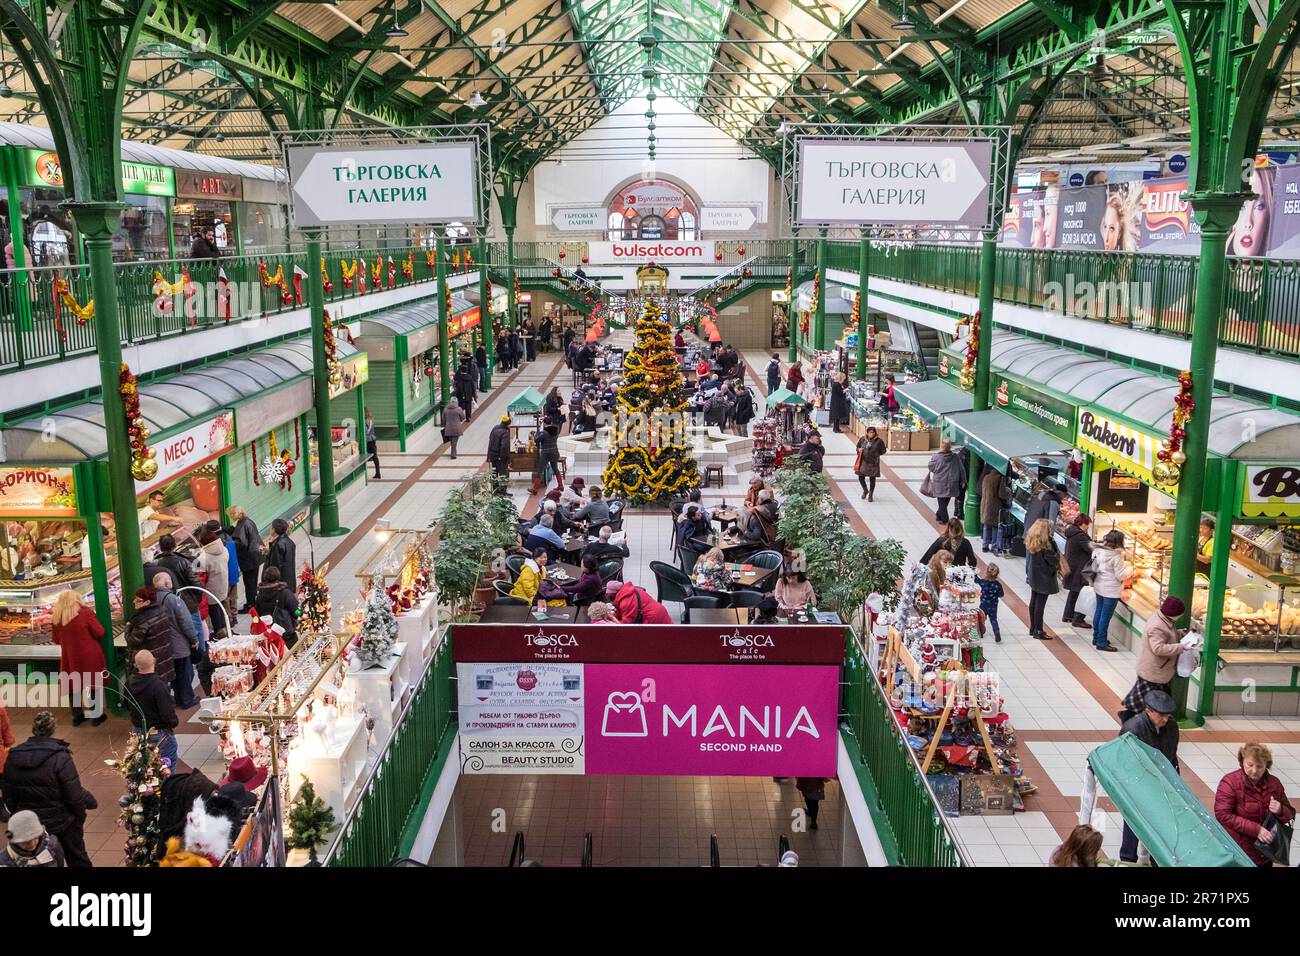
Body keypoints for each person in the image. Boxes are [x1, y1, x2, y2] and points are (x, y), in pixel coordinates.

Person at [0, 712, 91, 867]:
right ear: (52, 729)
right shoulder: (60, 757)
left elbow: (9, 795)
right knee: (77, 858)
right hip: (63, 822)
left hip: (31, 825)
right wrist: (78, 818)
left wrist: (23, 817)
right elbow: (73, 795)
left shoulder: (14, 756)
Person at [1118, 690, 1179, 862]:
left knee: (1159, 828)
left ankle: (1156, 861)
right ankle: (1127, 860)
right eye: (1161, 715)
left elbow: (1172, 756)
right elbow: (1124, 763)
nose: (1165, 720)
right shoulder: (1132, 729)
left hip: (1161, 786)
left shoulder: (1172, 727)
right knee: (1133, 826)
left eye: (1167, 715)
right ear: (1148, 710)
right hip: (1137, 788)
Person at [1214, 742, 1296, 866]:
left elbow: (1290, 814)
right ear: (1242, 761)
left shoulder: (1274, 784)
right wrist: (1256, 830)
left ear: (1266, 766)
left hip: (1265, 851)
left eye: (1259, 766)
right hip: (1238, 849)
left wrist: (1280, 810)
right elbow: (1222, 814)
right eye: (1250, 765)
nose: (1254, 770)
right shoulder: (1230, 782)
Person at [1119, 596, 1188, 721]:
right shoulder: (1157, 626)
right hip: (1153, 672)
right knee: (1147, 702)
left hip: (1156, 671)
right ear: (1174, 615)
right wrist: (1181, 647)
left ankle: (1133, 719)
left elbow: (1167, 636)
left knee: (1146, 701)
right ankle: (1129, 719)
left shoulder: (1164, 620)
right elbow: (1158, 648)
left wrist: (1179, 633)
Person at [49, 590, 107, 727]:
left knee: (72, 684)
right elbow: (100, 632)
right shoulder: (85, 612)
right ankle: (96, 715)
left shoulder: (56, 617)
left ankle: (77, 716)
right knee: (93, 682)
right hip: (89, 654)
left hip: (69, 655)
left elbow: (56, 639)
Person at [125, 650, 179, 768]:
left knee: (144, 769)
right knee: (166, 769)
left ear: (136, 664)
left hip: (138, 732)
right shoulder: (158, 685)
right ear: (154, 661)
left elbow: (127, 705)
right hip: (159, 732)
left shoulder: (129, 681)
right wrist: (173, 723)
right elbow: (167, 713)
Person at [153, 572, 199, 708]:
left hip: (163, 644)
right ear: (167, 584)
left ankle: (178, 697)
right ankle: (186, 700)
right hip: (179, 644)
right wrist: (193, 639)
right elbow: (185, 621)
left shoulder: (153, 598)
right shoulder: (173, 599)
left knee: (173, 673)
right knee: (185, 673)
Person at [123, 587, 176, 688]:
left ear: (147, 602)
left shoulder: (142, 620)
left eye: (138, 600)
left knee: (150, 690)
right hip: (164, 658)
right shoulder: (162, 610)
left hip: (149, 662)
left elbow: (132, 641)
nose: (134, 602)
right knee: (162, 688)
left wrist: (128, 627)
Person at [1090, 529, 1131, 652]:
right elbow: (1120, 576)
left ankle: (1096, 637)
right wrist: (1130, 570)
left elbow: (1095, 568)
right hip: (1111, 590)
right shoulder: (1117, 556)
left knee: (1099, 612)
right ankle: (1101, 642)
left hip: (1099, 585)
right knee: (1105, 616)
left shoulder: (1098, 550)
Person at [1024, 518, 1061, 641]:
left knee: (1034, 601)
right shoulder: (1047, 544)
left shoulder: (1033, 540)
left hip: (1035, 575)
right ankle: (1038, 630)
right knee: (1040, 605)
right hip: (1044, 577)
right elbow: (1053, 560)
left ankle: (1033, 627)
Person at [1060, 514, 1094, 629]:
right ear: (1082, 524)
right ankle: (1077, 619)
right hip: (1079, 568)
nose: (1088, 527)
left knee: (1074, 592)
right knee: (1080, 593)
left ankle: (1068, 615)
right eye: (1087, 525)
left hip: (1073, 565)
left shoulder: (1073, 532)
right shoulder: (1080, 535)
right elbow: (1091, 549)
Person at [227, 505, 263, 613]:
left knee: (249, 583)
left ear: (235, 514)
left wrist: (229, 545)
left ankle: (250, 605)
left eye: (231, 514)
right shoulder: (248, 521)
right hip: (255, 556)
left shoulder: (241, 525)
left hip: (248, 559)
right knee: (252, 582)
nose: (231, 516)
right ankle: (253, 603)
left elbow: (240, 542)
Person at [0, 810, 65, 868]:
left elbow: (60, 863)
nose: (33, 844)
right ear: (14, 841)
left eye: (36, 838)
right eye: (27, 842)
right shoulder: (4, 860)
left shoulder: (52, 844)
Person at [195, 530, 230, 636]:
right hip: (223, 584)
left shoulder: (202, 558)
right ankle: (227, 631)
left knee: (215, 614)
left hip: (211, 590)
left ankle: (219, 635)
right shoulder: (224, 549)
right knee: (223, 610)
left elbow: (196, 577)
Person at [254, 566, 299, 647]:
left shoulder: (260, 595)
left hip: (268, 635)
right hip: (286, 635)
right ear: (278, 577)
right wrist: (301, 613)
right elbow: (295, 611)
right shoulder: (285, 593)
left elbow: (256, 614)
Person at [925, 440, 966, 524]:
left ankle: (945, 520)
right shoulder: (955, 457)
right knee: (945, 502)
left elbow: (930, 467)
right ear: (950, 446)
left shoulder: (936, 457)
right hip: (952, 484)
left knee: (942, 503)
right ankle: (939, 515)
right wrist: (963, 480)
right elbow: (962, 469)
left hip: (939, 483)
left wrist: (936, 470)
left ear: (941, 446)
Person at [606, 579, 673, 624]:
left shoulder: (626, 603)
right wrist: (612, 616)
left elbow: (625, 627)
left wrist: (612, 617)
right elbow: (620, 613)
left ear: (614, 595)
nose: (610, 602)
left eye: (610, 598)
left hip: (654, 620)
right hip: (659, 612)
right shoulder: (628, 591)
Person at [978, 467, 1010, 552]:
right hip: (995, 505)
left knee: (986, 525)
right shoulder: (1000, 478)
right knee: (995, 526)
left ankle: (985, 546)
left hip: (985, 504)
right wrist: (1008, 491)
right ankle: (994, 546)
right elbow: (1002, 494)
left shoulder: (986, 477)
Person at [854, 426, 887, 501]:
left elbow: (883, 450)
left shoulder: (879, 441)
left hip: (873, 462)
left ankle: (871, 494)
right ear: (867, 433)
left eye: (872, 432)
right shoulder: (863, 439)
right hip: (863, 461)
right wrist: (859, 450)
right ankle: (865, 490)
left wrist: (876, 454)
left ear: (875, 433)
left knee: (872, 478)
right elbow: (857, 447)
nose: (871, 434)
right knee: (860, 477)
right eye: (869, 432)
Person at [263, 518, 296, 590]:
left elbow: (275, 566)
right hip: (289, 581)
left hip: (280, 585)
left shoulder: (278, 545)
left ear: (274, 530)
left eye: (271, 527)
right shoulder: (289, 541)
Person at [976, 563, 1004, 643]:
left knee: (981, 619)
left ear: (987, 573)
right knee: (993, 619)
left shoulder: (983, 582)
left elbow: (976, 580)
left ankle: (980, 632)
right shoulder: (998, 585)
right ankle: (997, 633)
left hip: (983, 605)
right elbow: (1001, 595)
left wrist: (974, 574)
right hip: (993, 606)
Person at [530, 425, 561, 496]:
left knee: (540, 470)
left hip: (546, 453)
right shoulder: (556, 431)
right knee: (555, 469)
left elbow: (536, 440)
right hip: (555, 452)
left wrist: (536, 434)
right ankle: (560, 485)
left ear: (544, 423)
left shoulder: (544, 432)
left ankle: (535, 489)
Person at [488, 415, 512, 487]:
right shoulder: (505, 433)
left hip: (493, 455)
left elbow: (490, 439)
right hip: (500, 457)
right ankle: (503, 491)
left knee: (494, 473)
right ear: (507, 424)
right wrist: (503, 457)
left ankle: (495, 490)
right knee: (503, 474)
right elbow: (504, 447)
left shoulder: (495, 428)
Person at [364, 409, 382, 479]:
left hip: (367, 441)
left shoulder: (364, 422)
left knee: (365, 456)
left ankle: (364, 474)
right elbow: (372, 431)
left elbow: (365, 432)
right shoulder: (371, 420)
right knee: (375, 457)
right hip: (373, 439)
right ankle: (378, 473)